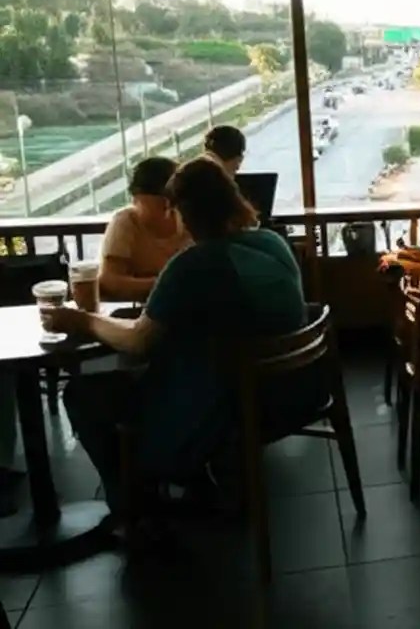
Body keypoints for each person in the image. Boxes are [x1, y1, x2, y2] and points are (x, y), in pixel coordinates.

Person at [42, 157, 309, 515]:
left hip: (233, 404)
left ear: (180, 212)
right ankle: (190, 480)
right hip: (293, 390)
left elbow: (138, 339)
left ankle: (134, 503)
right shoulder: (272, 243)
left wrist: (83, 321)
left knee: (84, 395)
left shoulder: (194, 265)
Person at [99, 157, 191, 302]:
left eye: (171, 203)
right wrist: (167, 284)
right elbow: (109, 281)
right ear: (135, 198)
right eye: (159, 204)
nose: (168, 209)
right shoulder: (125, 223)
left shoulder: (191, 220)